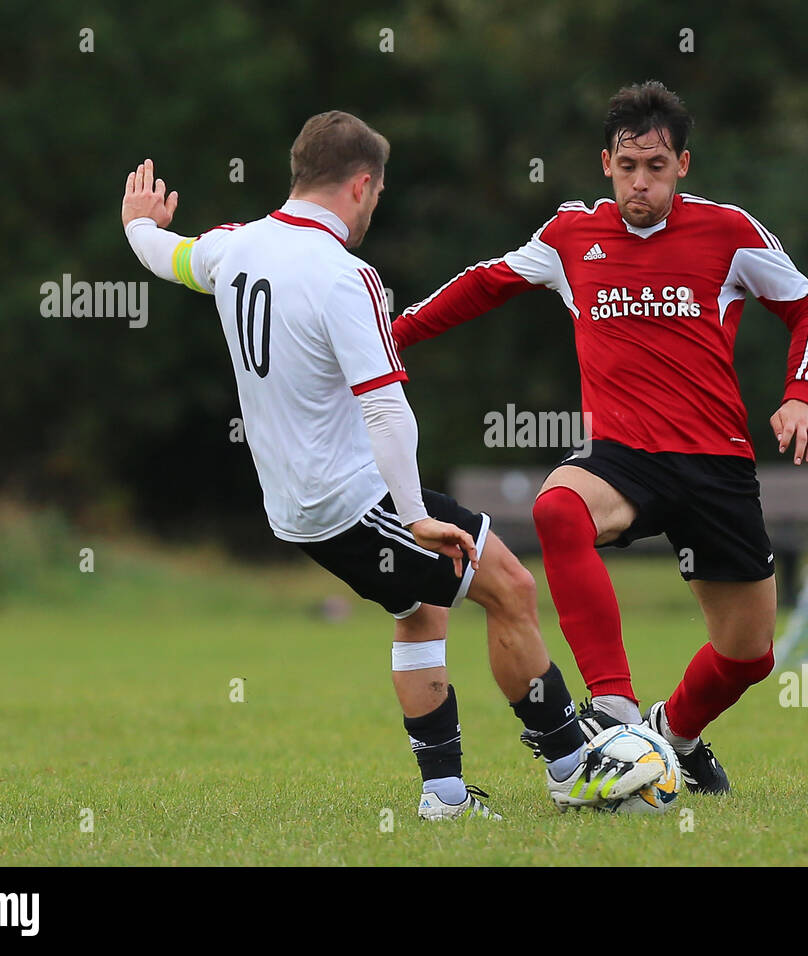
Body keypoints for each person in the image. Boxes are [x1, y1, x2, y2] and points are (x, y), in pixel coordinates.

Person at [119, 111, 661, 819]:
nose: (375, 205)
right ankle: (571, 766)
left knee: (420, 611)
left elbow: (172, 258)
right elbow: (385, 409)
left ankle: (444, 797)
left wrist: (138, 226)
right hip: (353, 498)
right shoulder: (346, 277)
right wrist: (416, 516)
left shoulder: (236, 247)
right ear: (361, 184)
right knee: (510, 587)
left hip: (295, 509)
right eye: (377, 194)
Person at [391, 82, 808, 794]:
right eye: (628, 166)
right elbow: (483, 284)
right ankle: (615, 712)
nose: (641, 182)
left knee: (749, 655)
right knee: (556, 510)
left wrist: (800, 399)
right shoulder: (572, 235)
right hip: (624, 457)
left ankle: (673, 735)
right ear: (606, 163)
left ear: (682, 165)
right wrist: (390, 337)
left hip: (716, 463)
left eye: (656, 166)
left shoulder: (729, 232)